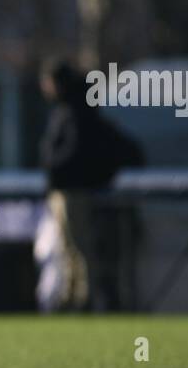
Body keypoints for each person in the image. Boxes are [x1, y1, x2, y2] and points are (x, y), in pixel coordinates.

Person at [38, 58, 143, 311]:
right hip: (75, 190)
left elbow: (72, 154)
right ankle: (78, 297)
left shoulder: (75, 113)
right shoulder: (75, 109)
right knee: (73, 248)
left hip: (76, 192)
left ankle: (82, 300)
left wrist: (55, 169)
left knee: (79, 248)